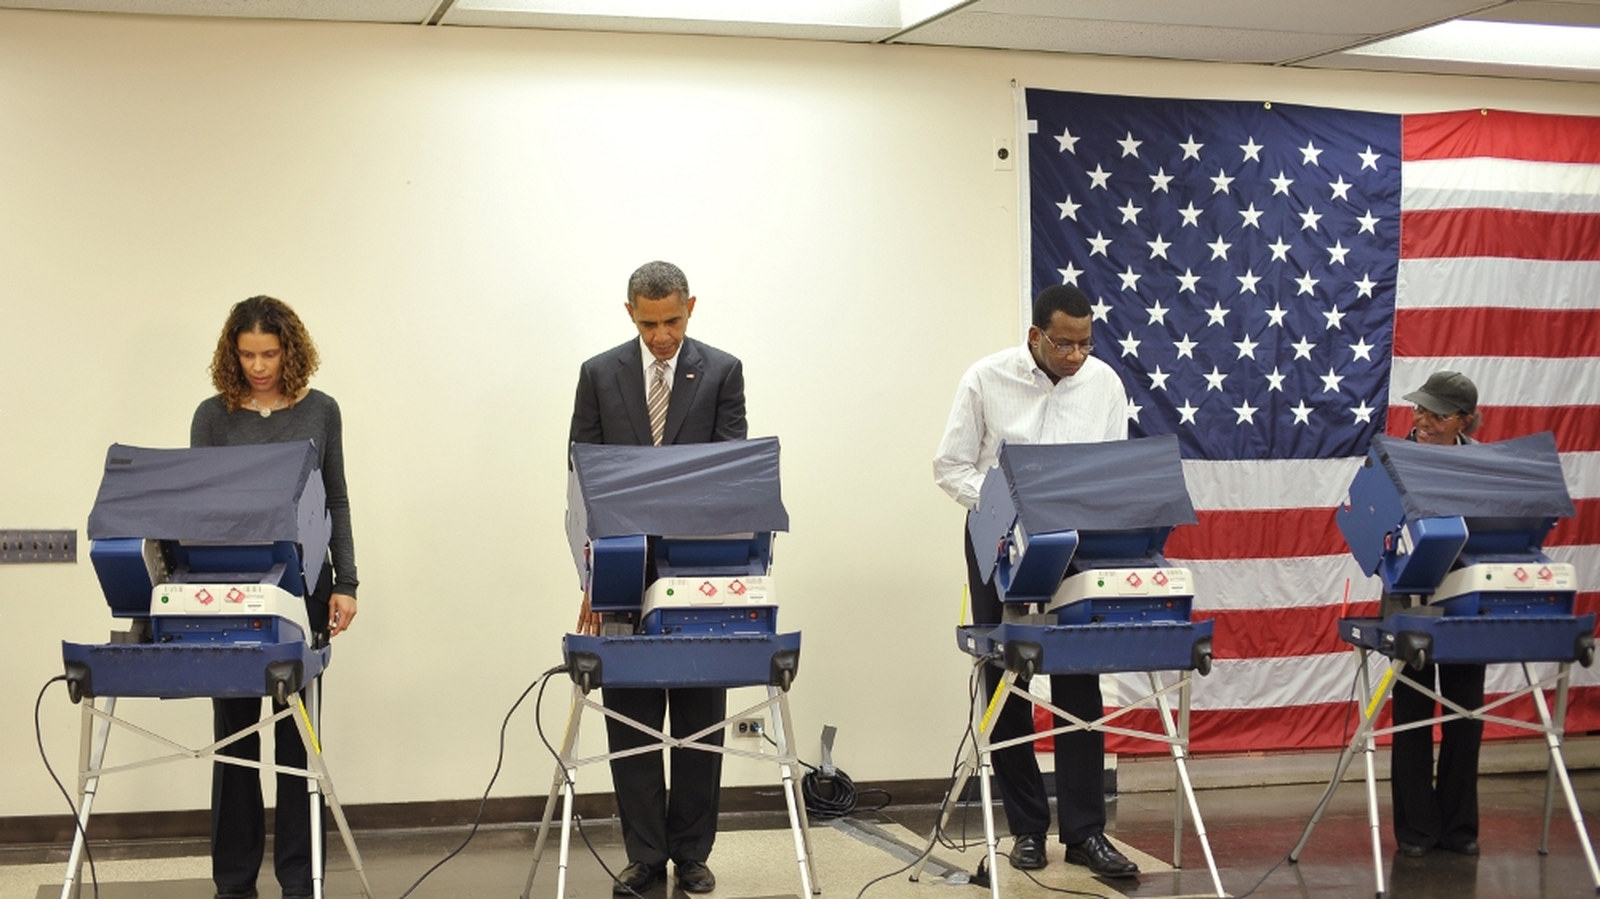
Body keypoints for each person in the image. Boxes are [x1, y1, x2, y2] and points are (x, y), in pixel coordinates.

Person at [932, 284, 1138, 878]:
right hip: (997, 537)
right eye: (1064, 344)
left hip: (1076, 541)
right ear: (1035, 336)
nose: (1076, 356)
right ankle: (1025, 829)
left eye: (1085, 344)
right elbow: (951, 466)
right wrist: (1006, 504)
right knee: (1006, 675)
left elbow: (1110, 469)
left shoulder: (1104, 383)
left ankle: (1085, 832)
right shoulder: (985, 378)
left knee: (1079, 677)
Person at [569, 260, 746, 895]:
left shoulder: (722, 371)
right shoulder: (599, 374)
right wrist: (591, 574)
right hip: (621, 567)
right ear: (630, 314)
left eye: (672, 321)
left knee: (700, 716)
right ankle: (644, 854)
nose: (662, 336)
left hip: (700, 570)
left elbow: (730, 476)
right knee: (632, 719)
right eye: (649, 324)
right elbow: (582, 479)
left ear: (690, 307)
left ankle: (692, 853)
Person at [192, 296, 360, 899]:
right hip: (230, 591)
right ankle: (234, 883)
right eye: (247, 355)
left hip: (305, 587)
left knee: (298, 739)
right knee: (235, 741)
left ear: (290, 350)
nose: (259, 366)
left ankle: (300, 880)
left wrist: (346, 583)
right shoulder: (212, 418)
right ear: (232, 354)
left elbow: (335, 497)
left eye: (269, 354)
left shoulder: (321, 410)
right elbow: (198, 507)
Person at [1386, 370, 1485, 858]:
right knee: (1412, 715)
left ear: (1463, 420)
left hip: (1467, 598)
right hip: (1411, 602)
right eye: (1419, 409)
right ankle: (1417, 830)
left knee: (1466, 714)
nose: (1423, 420)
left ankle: (1460, 828)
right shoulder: (1391, 459)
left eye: (1437, 415)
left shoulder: (1483, 463)